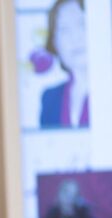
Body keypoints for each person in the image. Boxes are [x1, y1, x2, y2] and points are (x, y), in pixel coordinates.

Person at [40, 0, 89, 128]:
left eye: (82, 25)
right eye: (64, 30)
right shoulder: (49, 99)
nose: (75, 38)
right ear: (54, 42)